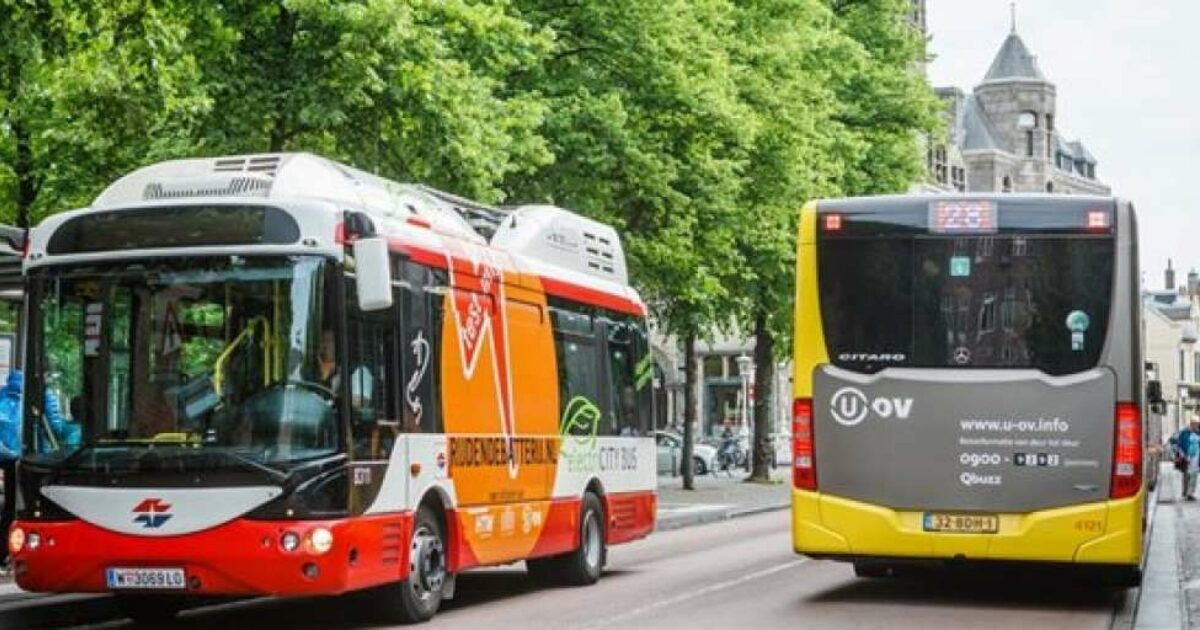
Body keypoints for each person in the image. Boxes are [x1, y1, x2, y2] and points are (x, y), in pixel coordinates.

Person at [0, 372, 23, 572]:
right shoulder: (24, 401)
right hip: (18, 460)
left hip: (8, 460)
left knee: (9, 507)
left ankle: (4, 553)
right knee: (16, 507)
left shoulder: (3, 399)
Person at [1176, 418, 1200, 501]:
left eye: (1198, 424)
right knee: (1187, 475)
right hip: (1187, 456)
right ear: (1191, 424)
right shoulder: (1184, 432)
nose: (1197, 426)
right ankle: (1185, 492)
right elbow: (1179, 444)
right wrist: (1182, 454)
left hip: (1196, 457)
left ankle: (1190, 493)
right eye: (1195, 424)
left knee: (1194, 475)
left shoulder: (1198, 433)